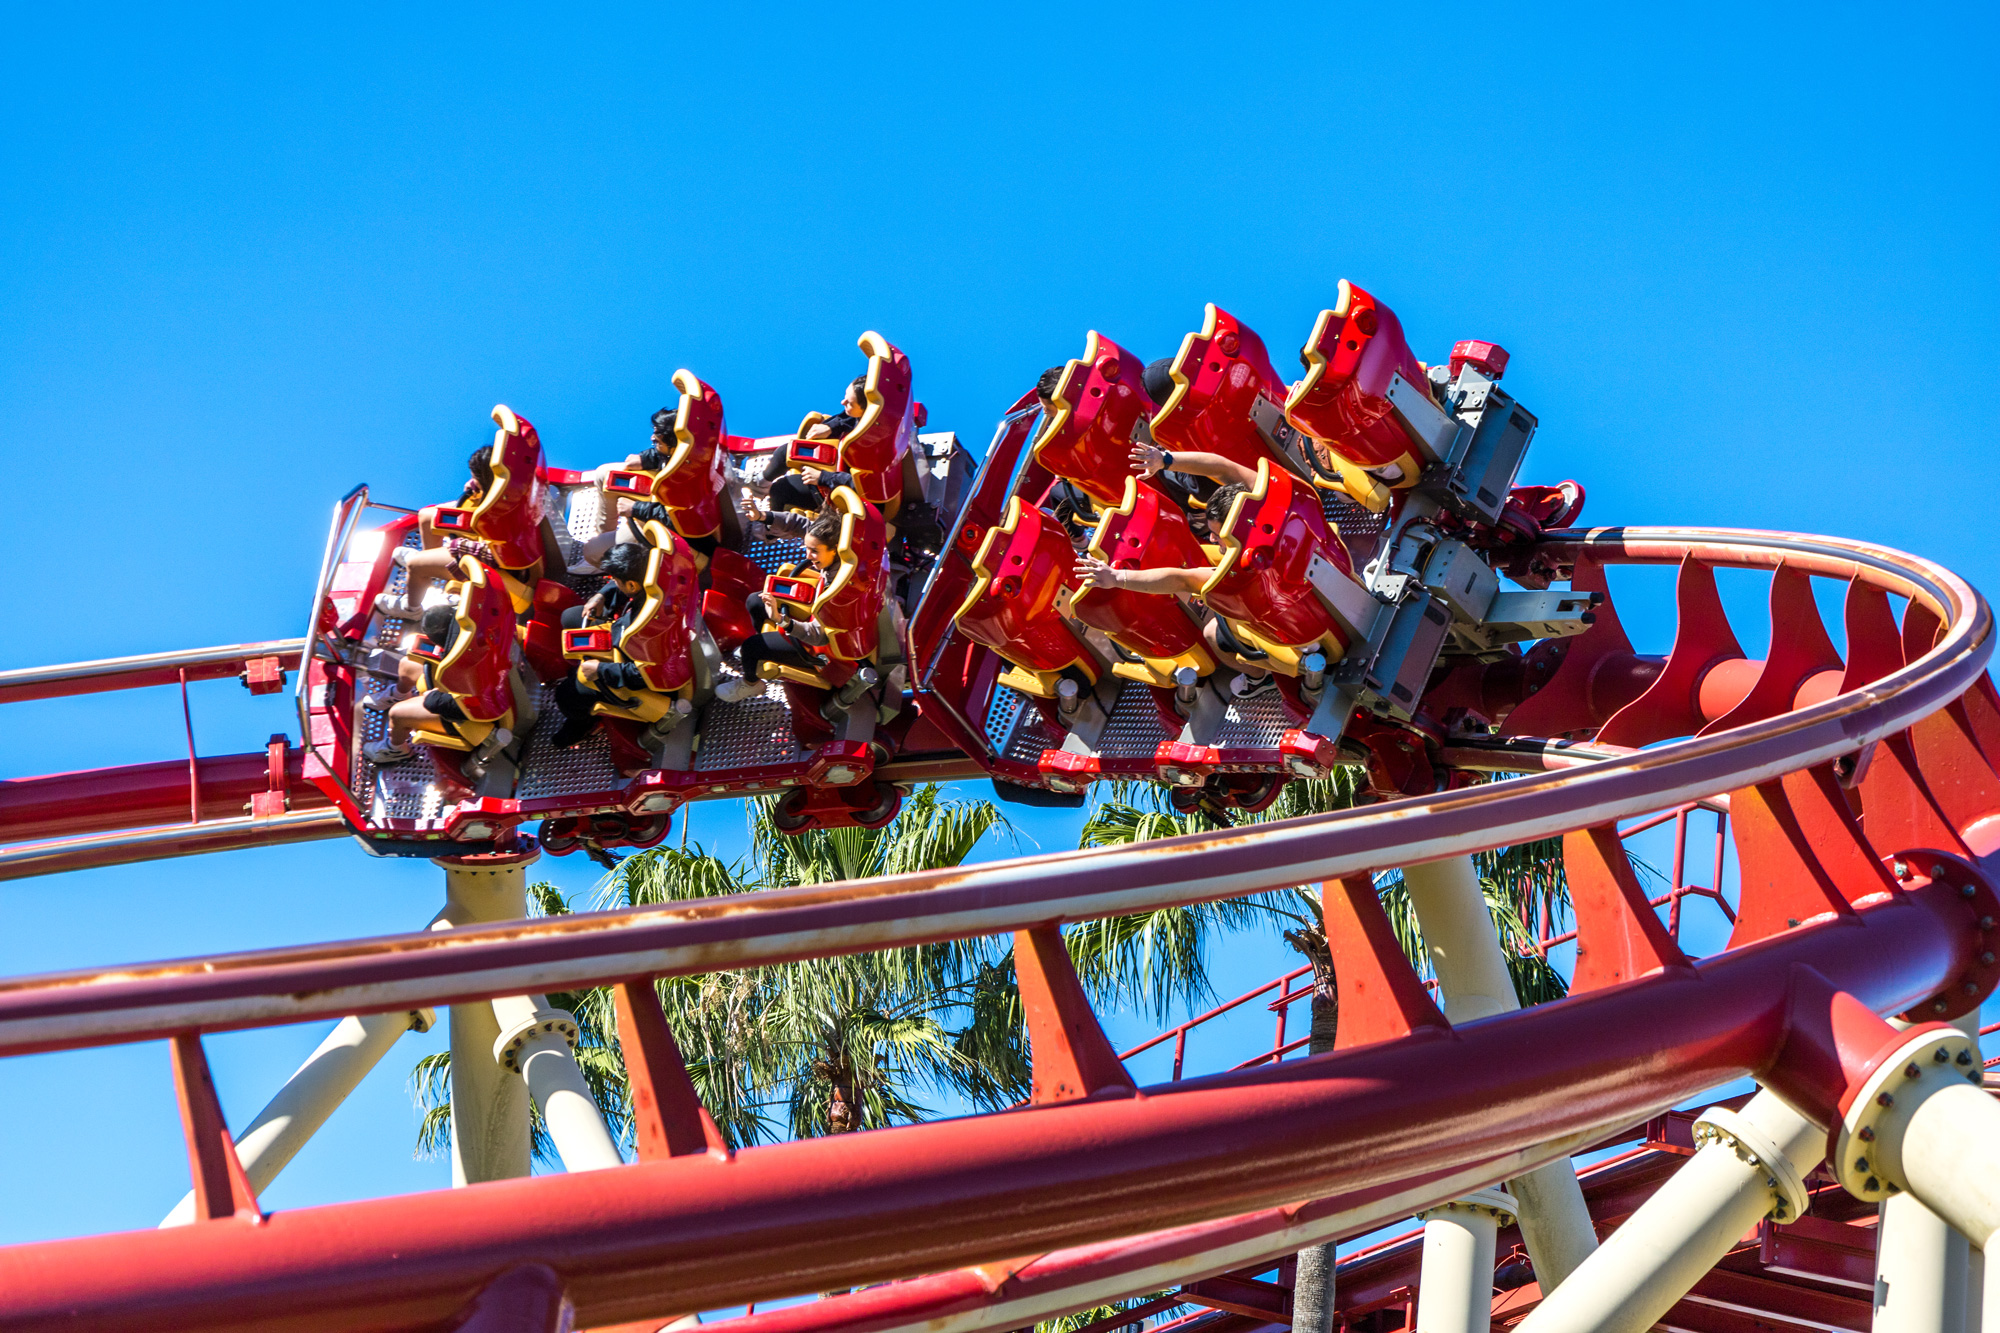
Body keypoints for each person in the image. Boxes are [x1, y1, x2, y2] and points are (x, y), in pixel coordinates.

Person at [1071, 483, 1276, 700]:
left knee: (1212, 634)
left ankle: (1260, 678)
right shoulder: (1278, 524)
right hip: (1298, 600)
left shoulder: (1235, 571)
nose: (1212, 539)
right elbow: (1229, 468)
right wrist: (1167, 460)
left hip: (1273, 620)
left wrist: (1116, 578)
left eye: (1217, 533)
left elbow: (1179, 579)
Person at [547, 542, 662, 748]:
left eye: (615, 580)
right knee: (572, 617)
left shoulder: (645, 628)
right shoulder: (656, 572)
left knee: (566, 694)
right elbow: (627, 582)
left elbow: (644, 673)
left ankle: (584, 724)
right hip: (623, 639)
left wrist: (600, 669)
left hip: (635, 672)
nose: (613, 582)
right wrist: (603, 595)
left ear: (632, 586)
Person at [723, 511, 843, 702]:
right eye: (807, 548)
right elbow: (800, 524)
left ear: (835, 550)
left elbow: (819, 636)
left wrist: (782, 620)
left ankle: (751, 684)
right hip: (816, 610)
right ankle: (764, 648)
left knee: (751, 647)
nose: (807, 556)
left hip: (824, 649)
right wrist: (763, 515)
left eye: (814, 552)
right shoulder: (839, 539)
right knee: (755, 601)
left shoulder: (840, 591)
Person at [362, 605, 475, 765]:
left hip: (467, 713)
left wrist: (433, 699)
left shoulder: (466, 671)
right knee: (407, 664)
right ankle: (399, 694)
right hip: (459, 684)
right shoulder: (476, 631)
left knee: (397, 714)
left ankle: (396, 749)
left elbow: (469, 705)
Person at [763, 375, 866, 515]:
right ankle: (761, 482)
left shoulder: (874, 447)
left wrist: (823, 477)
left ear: (865, 409)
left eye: (850, 404)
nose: (843, 402)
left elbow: (866, 485)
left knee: (780, 489)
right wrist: (832, 426)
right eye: (845, 397)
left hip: (838, 486)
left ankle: (769, 530)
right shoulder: (867, 417)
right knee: (786, 452)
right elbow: (848, 417)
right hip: (836, 457)